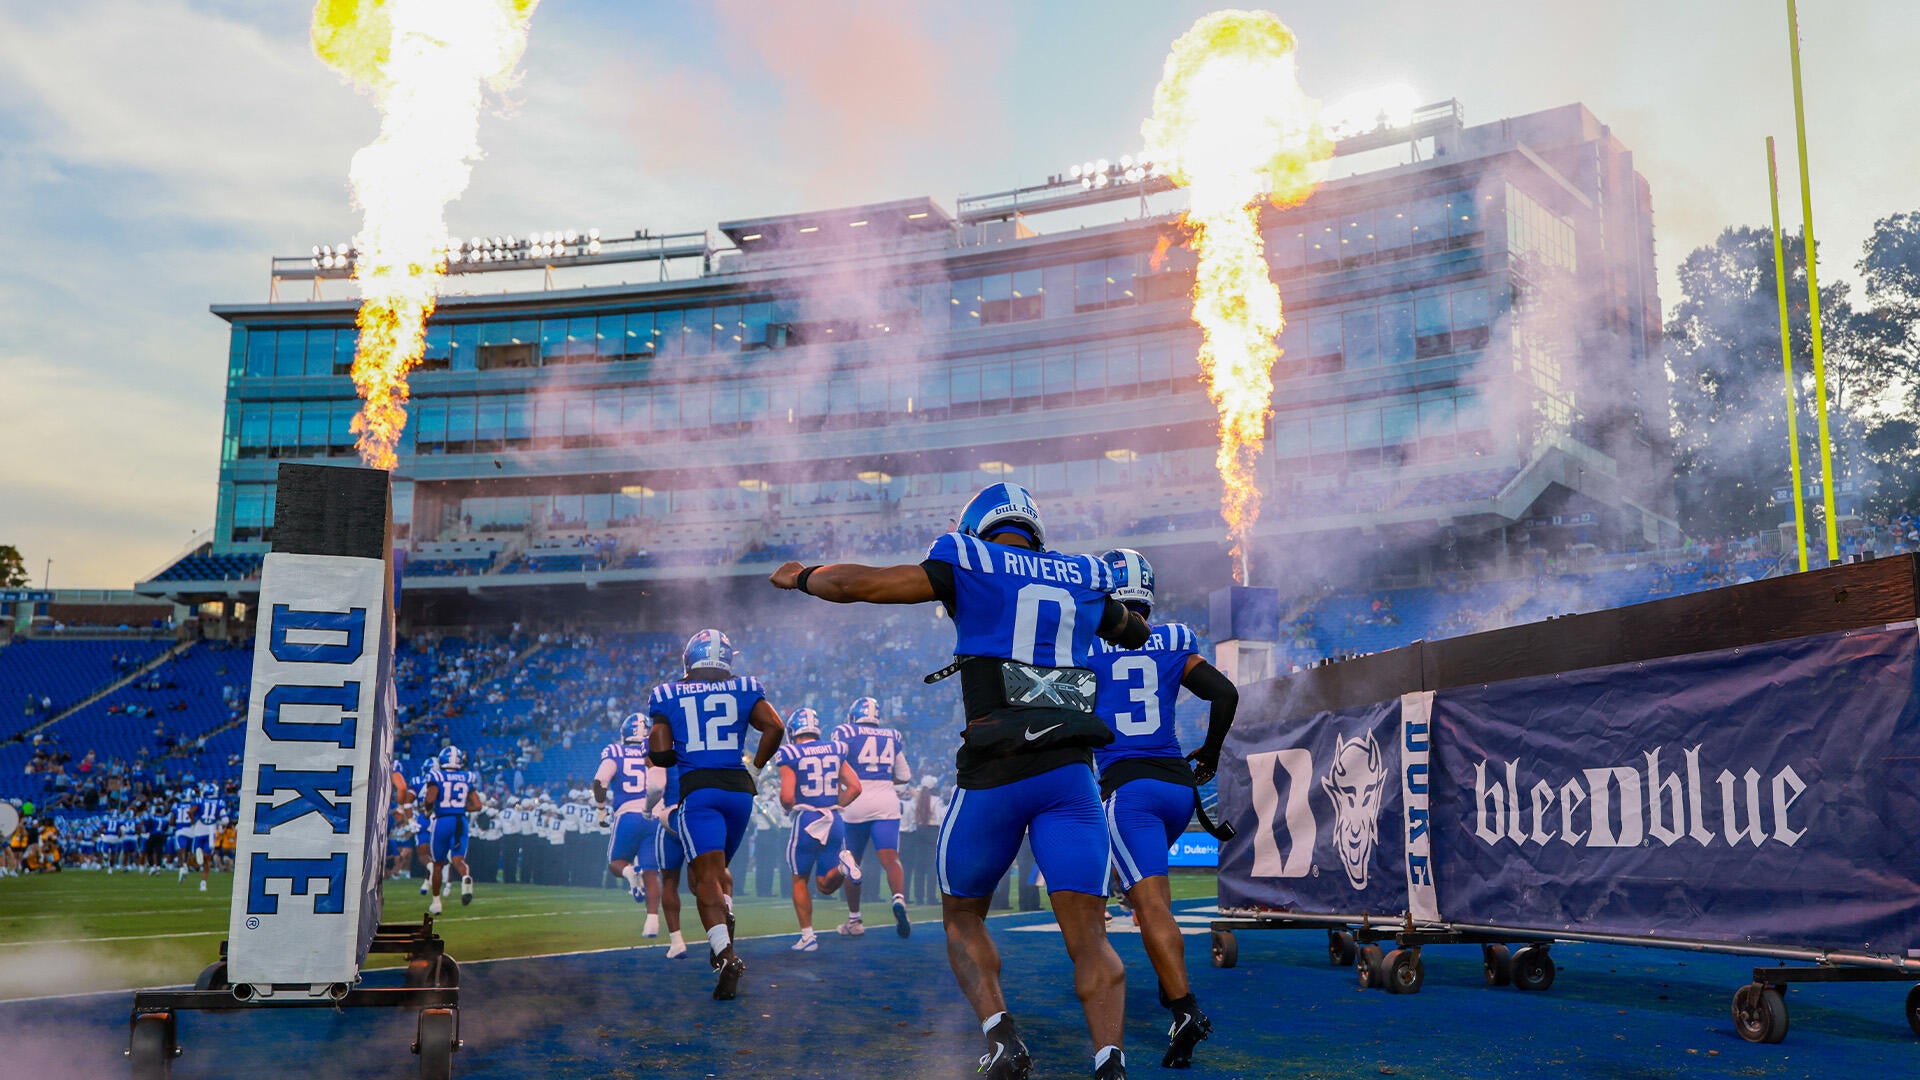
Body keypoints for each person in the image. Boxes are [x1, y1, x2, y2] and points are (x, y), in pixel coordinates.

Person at [771, 482, 1151, 1080]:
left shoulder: (969, 557)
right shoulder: (1081, 574)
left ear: (978, 526)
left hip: (995, 774)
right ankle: (1110, 1062)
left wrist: (803, 576)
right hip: (1070, 777)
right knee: (1088, 935)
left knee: (962, 916)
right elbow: (1133, 631)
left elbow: (859, 585)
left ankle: (1003, 1039)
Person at [1086, 548, 1239, 1069]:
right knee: (1154, 900)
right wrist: (1210, 753)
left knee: (1148, 905)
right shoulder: (1173, 638)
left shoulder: (1085, 644)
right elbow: (1224, 693)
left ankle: (1184, 1008)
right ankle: (1169, 983)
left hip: (1129, 790)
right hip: (1177, 789)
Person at [647, 629, 785, 1000]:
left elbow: (659, 752)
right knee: (716, 870)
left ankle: (725, 955)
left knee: (704, 876)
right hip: (739, 792)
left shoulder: (667, 694)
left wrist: (674, 750)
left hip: (700, 789)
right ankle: (726, 915)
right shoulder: (745, 687)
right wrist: (755, 768)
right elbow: (775, 726)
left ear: (688, 658)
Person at [774, 708, 863, 952]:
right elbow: (855, 787)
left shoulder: (790, 753)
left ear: (793, 731)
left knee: (799, 878)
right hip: (834, 819)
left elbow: (788, 796)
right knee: (825, 885)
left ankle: (808, 937)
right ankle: (843, 867)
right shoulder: (835, 748)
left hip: (807, 820)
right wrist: (836, 805)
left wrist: (787, 809)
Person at [834, 696, 912, 938]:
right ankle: (898, 899)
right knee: (891, 858)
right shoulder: (891, 735)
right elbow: (905, 775)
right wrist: (882, 779)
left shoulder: (845, 732)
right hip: (886, 800)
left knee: (851, 863)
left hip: (855, 800)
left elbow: (835, 767)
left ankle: (854, 920)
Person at [594, 713, 663, 938]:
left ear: (624, 733)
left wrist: (601, 809)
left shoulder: (615, 751)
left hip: (628, 815)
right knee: (651, 872)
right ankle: (652, 922)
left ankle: (630, 873)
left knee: (616, 863)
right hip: (655, 816)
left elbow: (600, 781)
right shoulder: (657, 753)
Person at [421, 745, 482, 914]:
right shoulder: (467, 777)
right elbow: (478, 805)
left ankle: (436, 903)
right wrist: (461, 808)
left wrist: (428, 811)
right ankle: (466, 878)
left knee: (438, 864)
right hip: (460, 821)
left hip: (443, 821)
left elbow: (430, 799)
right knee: (458, 860)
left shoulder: (437, 775)